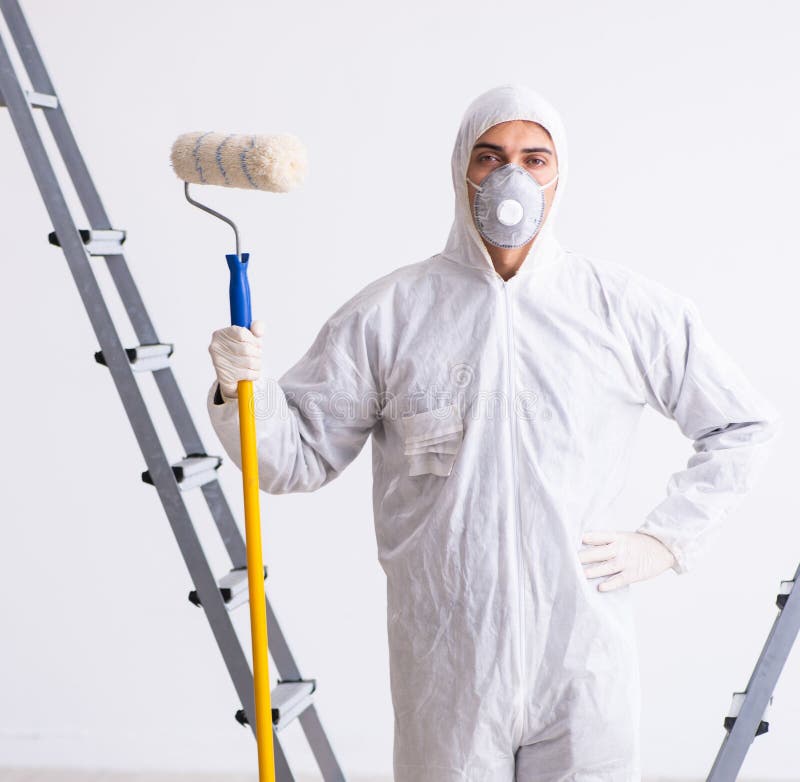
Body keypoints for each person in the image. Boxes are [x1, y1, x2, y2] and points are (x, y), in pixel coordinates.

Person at [206, 84, 780, 781]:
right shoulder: (390, 314)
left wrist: (667, 540)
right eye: (490, 157)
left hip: (581, 660)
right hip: (447, 666)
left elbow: (741, 424)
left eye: (534, 159)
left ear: (559, 176)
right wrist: (242, 393)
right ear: (461, 170)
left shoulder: (619, 309)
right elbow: (291, 460)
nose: (512, 178)